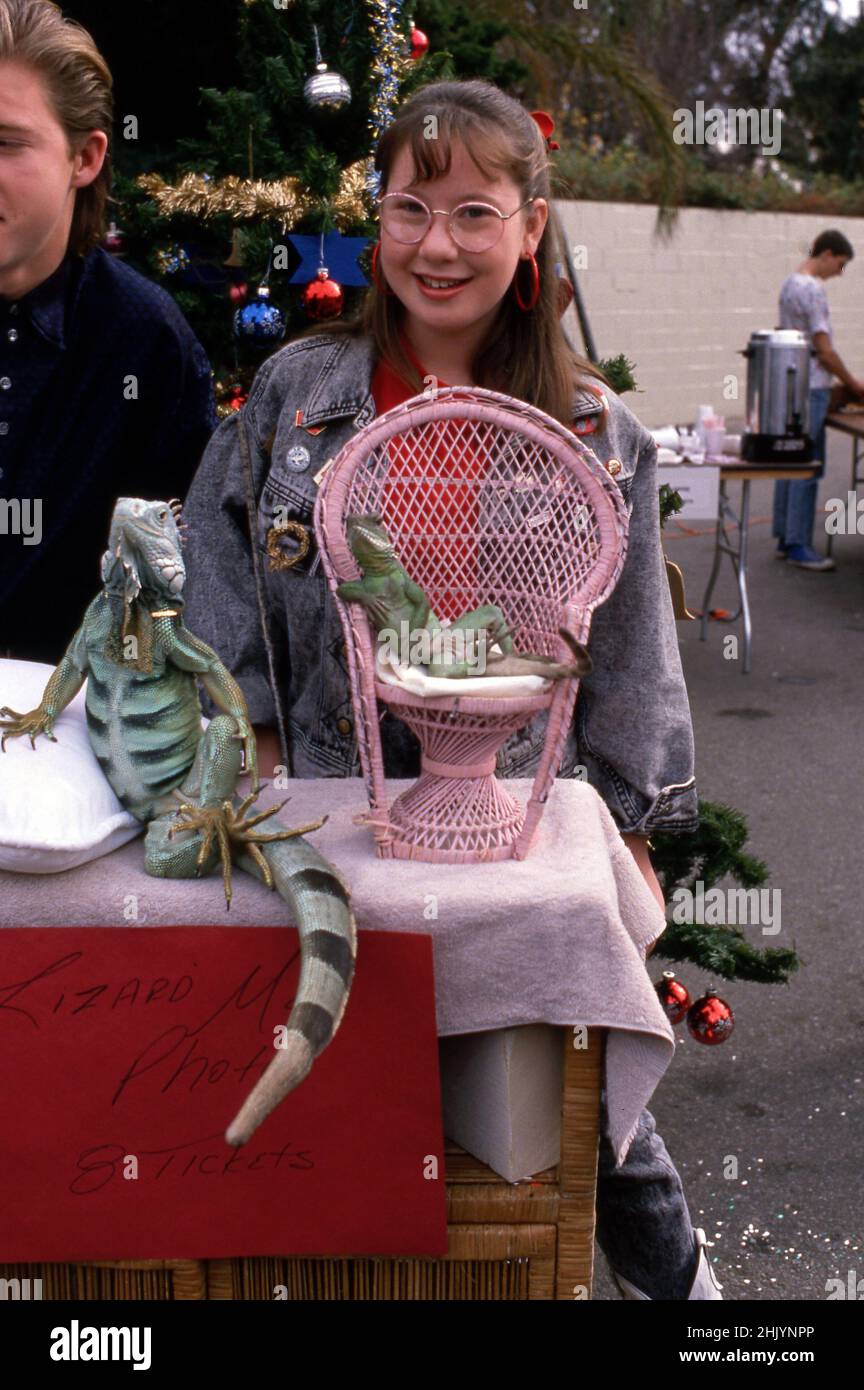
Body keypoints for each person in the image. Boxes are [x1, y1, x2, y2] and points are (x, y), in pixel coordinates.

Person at [182, 78, 722, 1301]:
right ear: (376, 220)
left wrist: (631, 824)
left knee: (569, 1102)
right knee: (332, 1079)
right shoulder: (295, 400)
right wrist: (252, 736)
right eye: (409, 207)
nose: (437, 244)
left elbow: (632, 643)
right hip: (328, 817)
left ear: (532, 225)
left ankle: (684, 1298)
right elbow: (215, 564)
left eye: (475, 212)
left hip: (518, 833)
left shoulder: (594, 432)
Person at [0, 0, 216, 663]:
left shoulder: (146, 345)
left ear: (86, 156)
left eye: (6, 144)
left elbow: (179, 599)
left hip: (72, 738)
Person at [772, 228, 862, 572]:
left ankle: (785, 535)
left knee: (790, 458)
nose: (839, 272)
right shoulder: (813, 290)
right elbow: (824, 349)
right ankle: (798, 543)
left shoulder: (789, 284)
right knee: (809, 464)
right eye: (839, 264)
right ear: (826, 254)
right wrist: (851, 382)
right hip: (812, 384)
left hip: (790, 379)